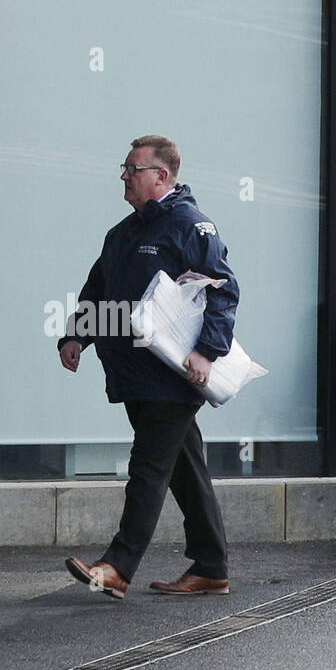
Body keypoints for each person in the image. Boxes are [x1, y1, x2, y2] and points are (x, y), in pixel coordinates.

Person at [58, 135, 239, 600]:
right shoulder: (123, 233)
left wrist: (207, 351)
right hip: (134, 375)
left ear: (161, 175)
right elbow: (98, 290)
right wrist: (76, 335)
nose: (124, 176)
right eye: (124, 168)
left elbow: (221, 291)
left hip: (173, 375)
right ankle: (211, 567)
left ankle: (117, 567)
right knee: (185, 470)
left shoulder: (191, 227)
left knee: (148, 468)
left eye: (132, 169)